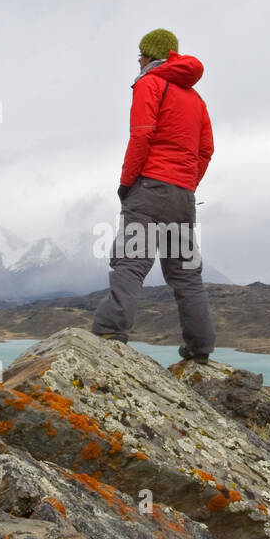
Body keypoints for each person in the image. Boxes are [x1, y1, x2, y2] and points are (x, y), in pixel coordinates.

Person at [91, 28, 216, 363]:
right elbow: (206, 150)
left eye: (141, 52)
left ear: (151, 55)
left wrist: (127, 182)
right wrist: (188, 184)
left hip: (148, 188)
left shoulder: (149, 84)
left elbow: (141, 136)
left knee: (130, 262)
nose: (138, 58)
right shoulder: (197, 99)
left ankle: (109, 331)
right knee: (186, 272)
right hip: (183, 197)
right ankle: (200, 347)